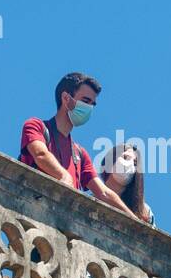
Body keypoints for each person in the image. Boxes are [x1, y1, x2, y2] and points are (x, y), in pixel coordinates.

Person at [19, 72, 137, 219]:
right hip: (34, 212)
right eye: (85, 101)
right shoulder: (36, 126)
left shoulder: (80, 154)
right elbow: (41, 155)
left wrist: (135, 221)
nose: (89, 108)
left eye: (92, 104)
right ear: (66, 98)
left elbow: (103, 193)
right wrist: (64, 176)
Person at [99, 143, 154, 226]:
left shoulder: (145, 211)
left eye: (135, 163)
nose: (130, 165)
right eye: (125, 157)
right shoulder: (91, 200)